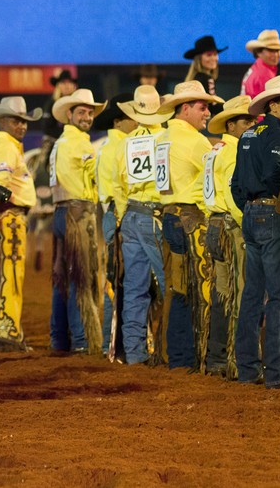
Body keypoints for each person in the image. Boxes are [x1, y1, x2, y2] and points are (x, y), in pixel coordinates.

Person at [231, 73, 280, 389]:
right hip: (271, 214)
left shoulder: (247, 134)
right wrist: (274, 201)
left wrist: (249, 205)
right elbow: (275, 172)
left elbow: (235, 183)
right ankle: (278, 371)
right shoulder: (277, 135)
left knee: (253, 294)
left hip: (250, 214)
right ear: (274, 104)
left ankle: (247, 369)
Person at [157, 81, 223, 371]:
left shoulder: (162, 139)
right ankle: (192, 357)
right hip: (189, 220)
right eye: (202, 107)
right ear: (185, 109)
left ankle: (176, 356)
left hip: (168, 216)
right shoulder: (196, 141)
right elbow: (217, 174)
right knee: (198, 289)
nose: (207, 112)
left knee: (177, 288)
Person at [115, 85, 172, 365]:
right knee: (168, 284)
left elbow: (120, 183)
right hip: (155, 216)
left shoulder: (125, 142)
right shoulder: (165, 138)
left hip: (132, 215)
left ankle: (135, 352)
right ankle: (168, 349)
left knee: (135, 287)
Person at [0, 96, 41, 351]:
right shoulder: (6, 148)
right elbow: (0, 185)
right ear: (3, 121)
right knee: (10, 275)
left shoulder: (7, 146)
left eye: (24, 121)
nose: (22, 126)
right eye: (17, 121)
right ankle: (7, 331)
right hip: (9, 218)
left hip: (3, 216)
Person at [48, 88, 106, 355]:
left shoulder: (60, 142)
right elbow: (95, 174)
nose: (87, 117)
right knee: (81, 278)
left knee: (62, 277)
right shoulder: (80, 142)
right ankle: (82, 340)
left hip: (60, 211)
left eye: (90, 112)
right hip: (77, 214)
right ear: (69, 114)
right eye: (81, 112)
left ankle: (59, 339)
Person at [202, 95, 256, 379]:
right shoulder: (235, 152)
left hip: (213, 224)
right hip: (230, 227)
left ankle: (216, 359)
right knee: (239, 293)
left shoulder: (214, 149)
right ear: (232, 124)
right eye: (246, 121)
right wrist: (244, 226)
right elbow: (235, 196)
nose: (252, 124)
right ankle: (237, 360)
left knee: (220, 295)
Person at [92, 93, 137, 358]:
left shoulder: (108, 147)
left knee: (117, 279)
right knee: (119, 279)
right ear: (119, 121)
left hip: (112, 214)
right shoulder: (120, 147)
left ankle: (111, 343)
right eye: (132, 116)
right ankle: (115, 344)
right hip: (119, 214)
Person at [240, 30, 280, 99]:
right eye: (270, 50)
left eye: (278, 50)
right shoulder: (265, 75)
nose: (276, 55)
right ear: (259, 52)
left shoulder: (256, 67)